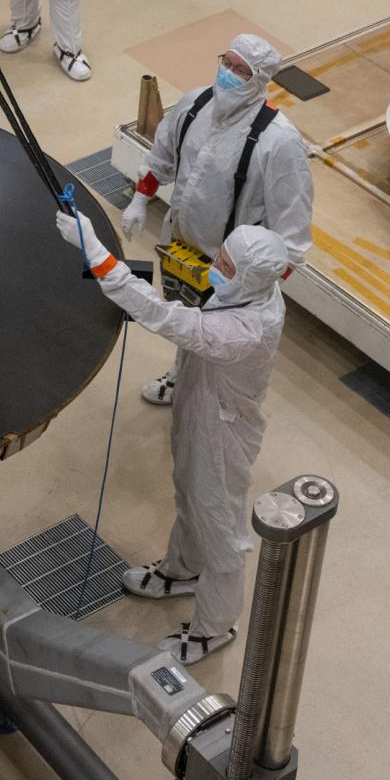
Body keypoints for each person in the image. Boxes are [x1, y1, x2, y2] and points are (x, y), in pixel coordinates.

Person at [56, 210, 290, 664]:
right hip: (202, 406)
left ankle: (215, 627)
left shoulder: (246, 329)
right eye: (220, 259)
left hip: (223, 432)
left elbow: (164, 317)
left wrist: (99, 257)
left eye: (225, 268)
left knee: (221, 529)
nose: (214, 270)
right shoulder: (255, 288)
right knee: (190, 497)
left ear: (250, 278)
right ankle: (182, 572)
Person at [121, 35, 313, 408]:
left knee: (218, 341)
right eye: (227, 62)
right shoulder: (195, 103)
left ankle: (208, 394)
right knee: (184, 320)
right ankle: (180, 376)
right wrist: (141, 200)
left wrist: (253, 292)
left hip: (231, 271)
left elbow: (292, 240)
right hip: (180, 243)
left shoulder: (279, 144)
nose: (228, 74)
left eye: (241, 70)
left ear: (260, 80)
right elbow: (162, 159)